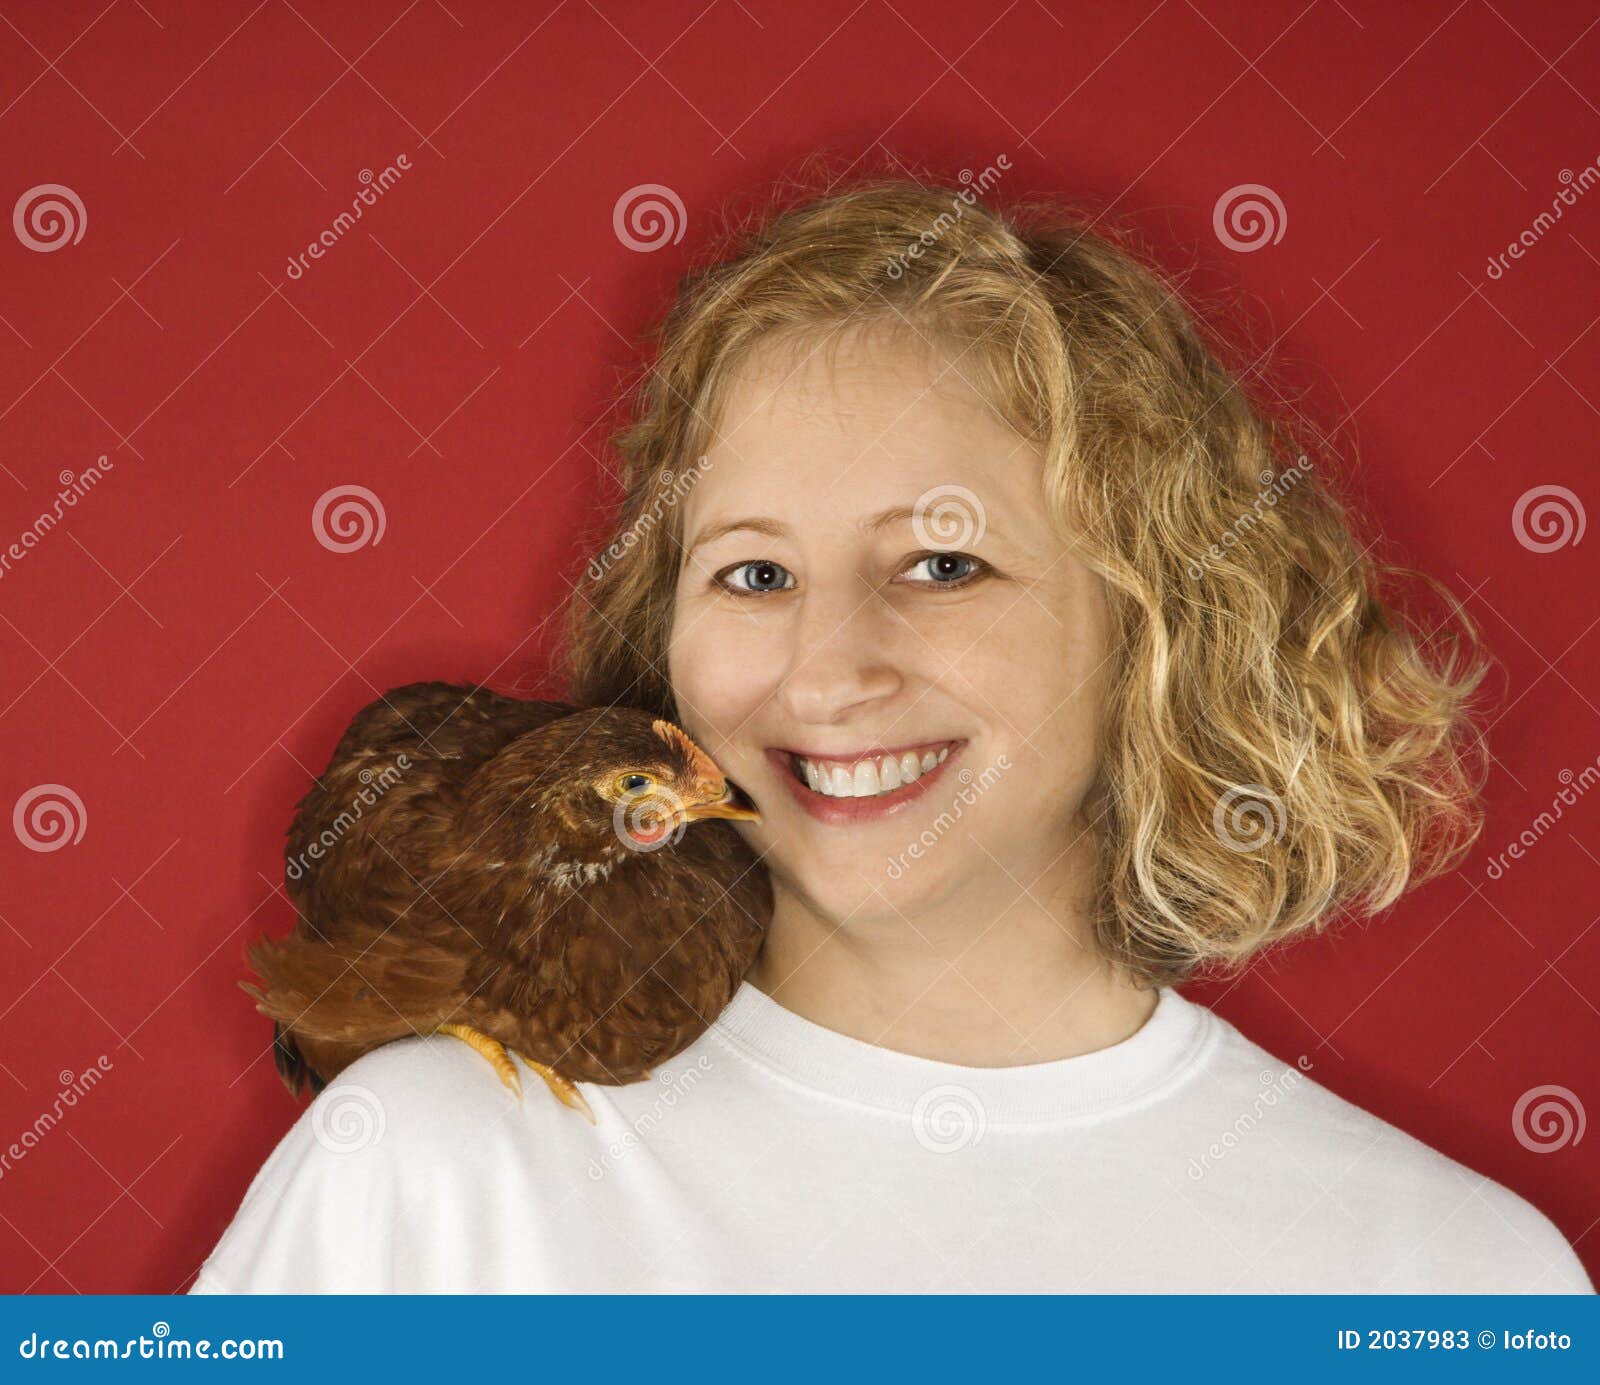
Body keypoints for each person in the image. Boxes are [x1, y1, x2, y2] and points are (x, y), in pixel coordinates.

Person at [189, 178, 1591, 1294]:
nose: (829, 667)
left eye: (940, 563)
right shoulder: (432, 1167)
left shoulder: (1455, 1278)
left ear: (1160, 626)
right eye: (753, 573)